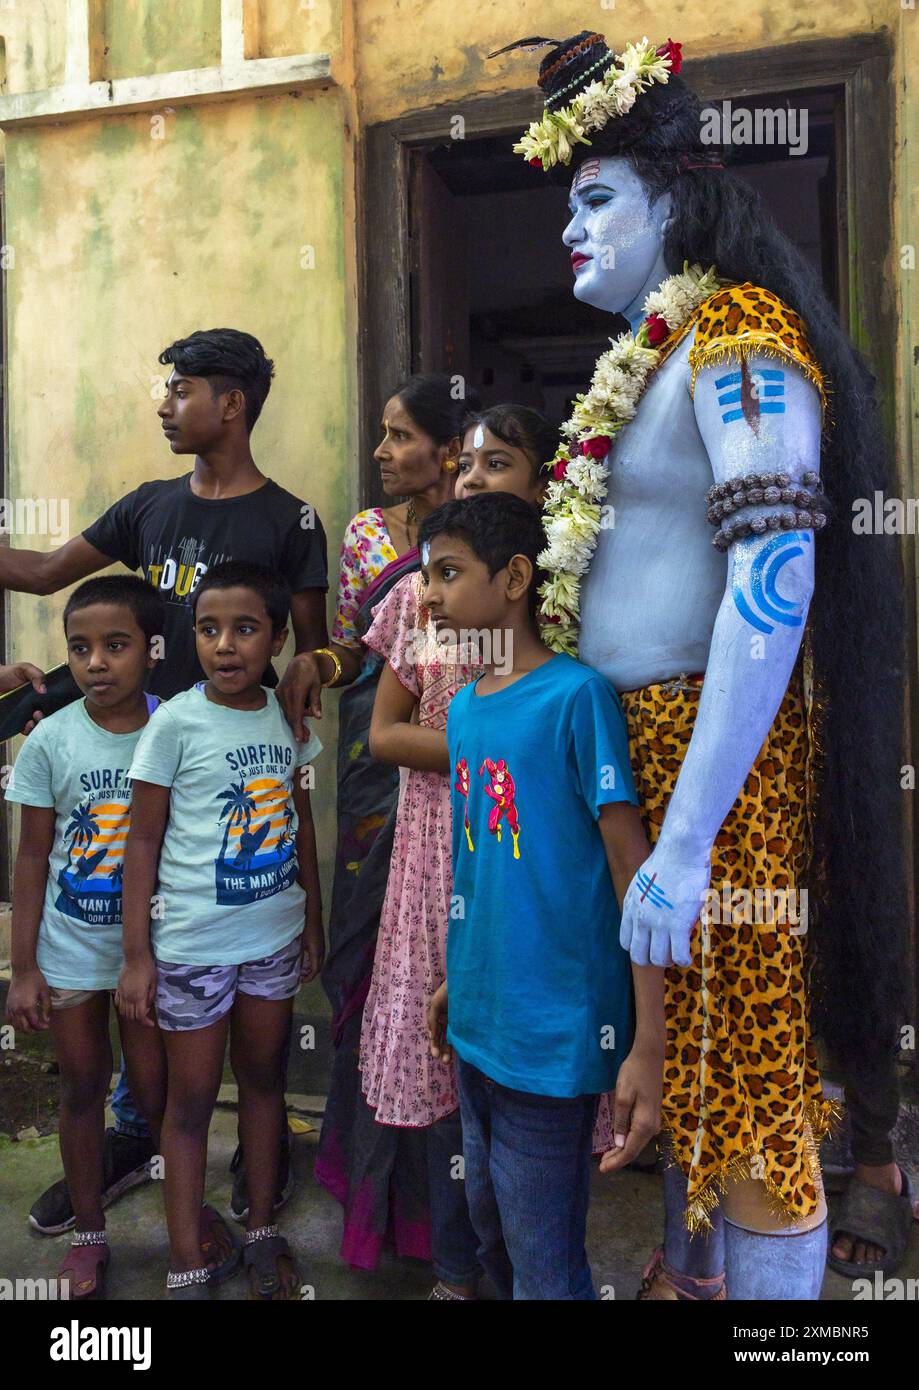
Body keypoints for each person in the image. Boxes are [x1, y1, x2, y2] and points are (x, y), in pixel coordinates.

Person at [493, 31, 908, 1299]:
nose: (570, 227)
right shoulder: (654, 358)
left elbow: (770, 594)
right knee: (680, 1068)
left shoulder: (738, 337)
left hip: (714, 768)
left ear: (675, 198)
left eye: (596, 197)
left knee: (753, 1085)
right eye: (567, 199)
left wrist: (685, 840)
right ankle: (699, 1279)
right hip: (634, 751)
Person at [0, 327, 329, 1237]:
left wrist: (321, 672)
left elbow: (312, 646)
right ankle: (131, 1142)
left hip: (234, 784)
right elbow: (37, 573)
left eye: (179, 389)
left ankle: (251, 1162)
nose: (163, 404)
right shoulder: (145, 506)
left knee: (217, 972)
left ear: (231, 403)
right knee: (123, 952)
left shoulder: (291, 520)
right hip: (141, 768)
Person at [423, 492, 665, 1300]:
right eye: (429, 577)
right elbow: (481, 866)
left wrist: (646, 1042)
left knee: (542, 1253)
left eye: (448, 574)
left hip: (552, 1031)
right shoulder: (462, 710)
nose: (428, 596)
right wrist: (458, 980)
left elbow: (634, 873)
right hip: (479, 1023)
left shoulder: (575, 698)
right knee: (491, 1226)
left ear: (516, 577)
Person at [360, 405, 553, 1299]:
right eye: (464, 462)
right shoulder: (416, 597)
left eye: (497, 461)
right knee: (441, 1058)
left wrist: (511, 748)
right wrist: (491, 743)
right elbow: (385, 735)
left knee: (516, 1061)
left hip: (520, 849)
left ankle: (528, 1263)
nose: (473, 477)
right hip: (432, 850)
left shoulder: (557, 595)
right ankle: (454, 1267)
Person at [116, 562, 323, 1299]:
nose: (225, 646)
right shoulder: (172, 721)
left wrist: (312, 921)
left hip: (271, 939)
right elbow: (141, 843)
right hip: (192, 949)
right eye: (209, 629)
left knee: (265, 1083)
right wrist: (136, 955)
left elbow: (298, 825)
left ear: (276, 637)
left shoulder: (285, 716)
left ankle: (262, 1228)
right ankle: (185, 1259)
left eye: (244, 629)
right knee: (191, 1103)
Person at [310, 375, 479, 1270]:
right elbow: (356, 641)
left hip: (471, 782)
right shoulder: (370, 536)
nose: (380, 453)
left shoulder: (494, 534)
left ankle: (456, 1220)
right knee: (376, 969)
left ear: (448, 453)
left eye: (400, 436)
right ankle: (385, 1205)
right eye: (380, 435)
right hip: (387, 773)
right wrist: (320, 666)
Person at [3, 576, 169, 1299]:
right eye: (80, 648)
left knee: (158, 1092)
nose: (96, 662)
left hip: (156, 954)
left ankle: (185, 1219)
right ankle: (90, 1233)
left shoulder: (180, 727)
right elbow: (33, 857)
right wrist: (24, 967)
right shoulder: (52, 741)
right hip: (71, 951)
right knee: (81, 1088)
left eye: (115, 645)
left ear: (152, 651)